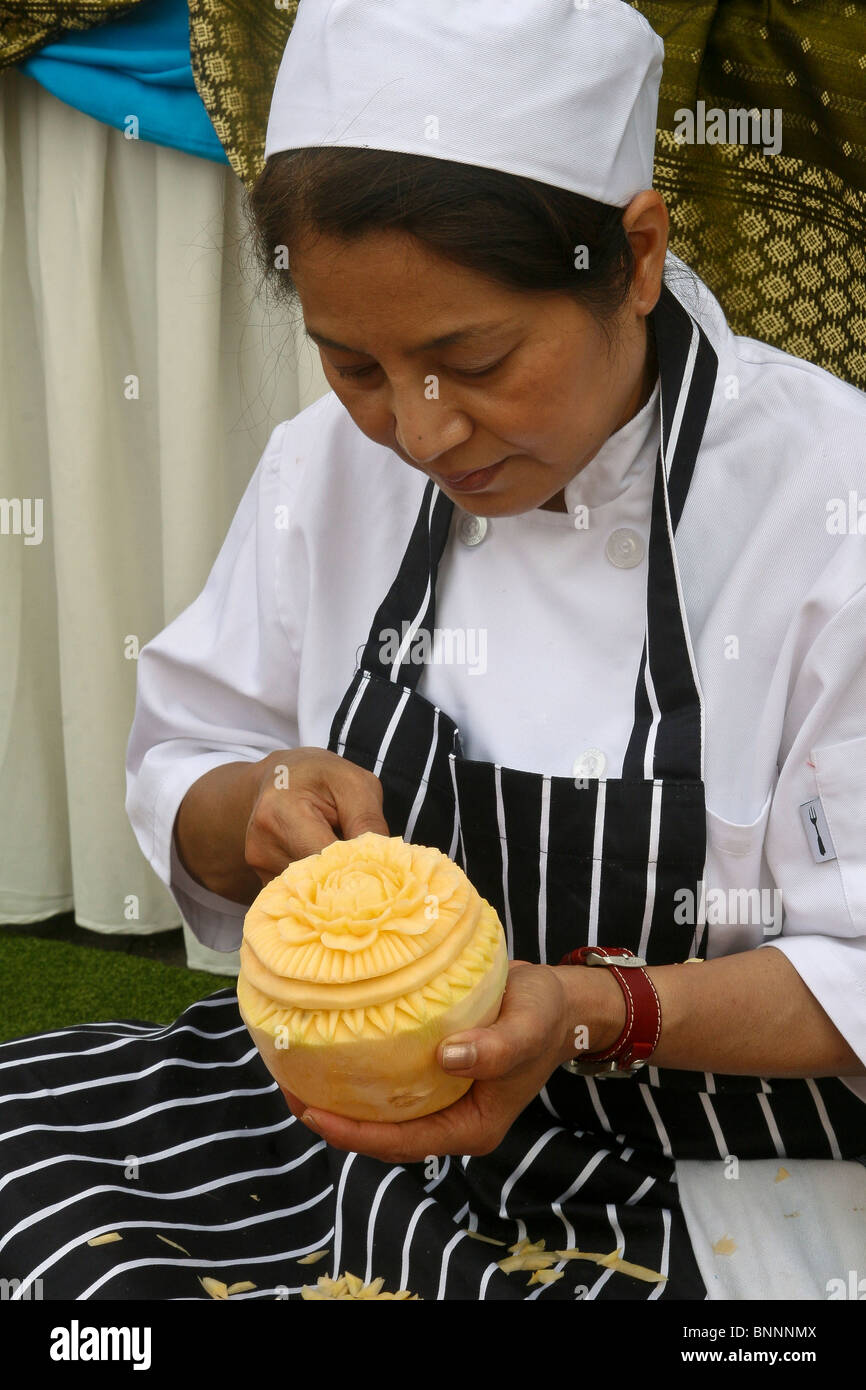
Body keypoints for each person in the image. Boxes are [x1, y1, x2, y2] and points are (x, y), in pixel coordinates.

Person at [1, 0, 864, 1302]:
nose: (418, 432)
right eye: (352, 364)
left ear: (633, 255)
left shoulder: (827, 505)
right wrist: (260, 803)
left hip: (720, 1161)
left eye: (473, 359)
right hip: (353, 1132)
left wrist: (586, 1013)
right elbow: (190, 764)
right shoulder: (321, 468)